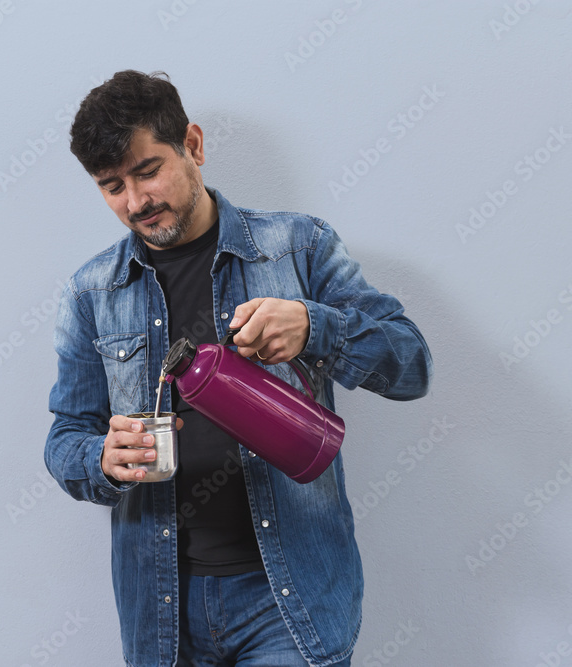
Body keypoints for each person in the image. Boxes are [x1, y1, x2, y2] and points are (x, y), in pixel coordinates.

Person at [44, 70, 432, 667]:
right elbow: (65, 437)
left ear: (193, 145)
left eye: (148, 171)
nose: (135, 202)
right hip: (163, 607)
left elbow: (411, 367)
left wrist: (314, 326)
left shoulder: (298, 247)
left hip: (288, 599)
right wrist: (100, 458)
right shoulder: (91, 291)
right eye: (111, 186)